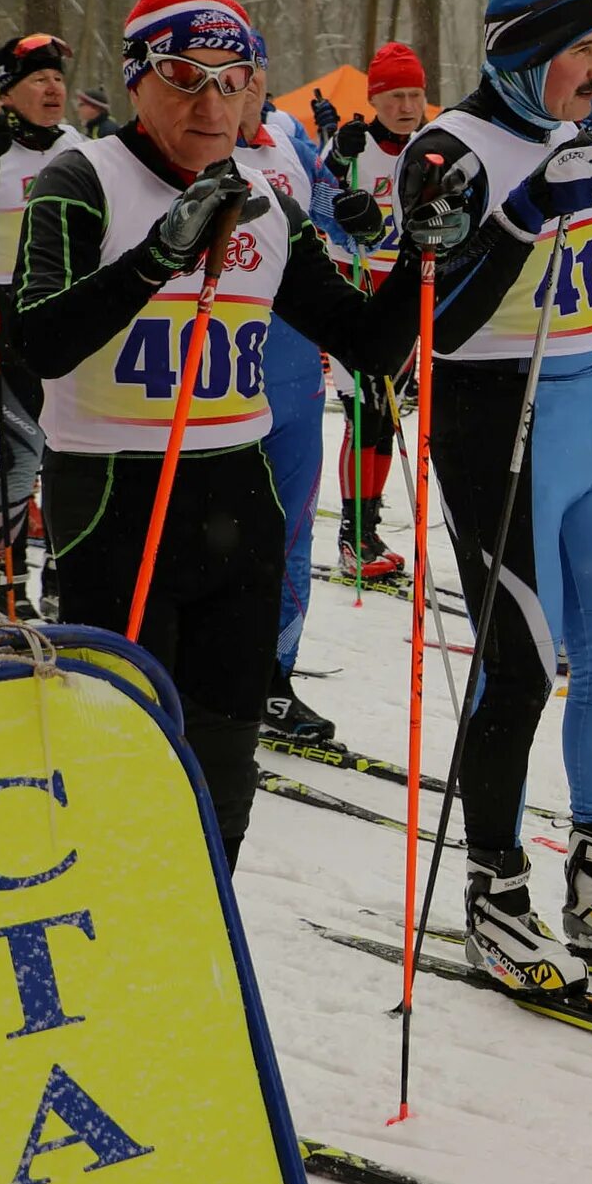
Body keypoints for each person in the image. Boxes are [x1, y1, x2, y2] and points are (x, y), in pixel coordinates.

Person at [9, 0, 474, 856]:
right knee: (124, 760)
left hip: (237, 498)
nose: (210, 101)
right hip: (116, 500)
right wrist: (159, 256)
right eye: (185, 76)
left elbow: (368, 343)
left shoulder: (263, 195)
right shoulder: (84, 179)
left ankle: (198, 959)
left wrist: (423, 253)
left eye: (234, 79)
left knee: (223, 780)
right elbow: (38, 343)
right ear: (138, 80)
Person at [399, 0, 592, 993]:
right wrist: (526, 213)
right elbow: (433, 318)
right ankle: (495, 890)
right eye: (585, 51)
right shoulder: (447, 148)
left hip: (588, 410)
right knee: (520, 663)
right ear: (528, 56)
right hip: (497, 416)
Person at [248, 82, 358, 741]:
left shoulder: (287, 135)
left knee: (291, 536)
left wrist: (350, 190)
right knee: (215, 536)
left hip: (295, 371)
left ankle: (274, 682)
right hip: (220, 375)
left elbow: (333, 217)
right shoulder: (179, 146)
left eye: (250, 69)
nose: (242, 84)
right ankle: (199, 679)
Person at [0, 33, 80, 619]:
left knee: (68, 449)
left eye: (57, 77)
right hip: (7, 311)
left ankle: (62, 574)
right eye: (37, 78)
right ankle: (5, 585)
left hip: (70, 306)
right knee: (21, 453)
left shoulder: (81, 148)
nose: (53, 87)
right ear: (7, 93)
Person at [317, 40, 431, 581]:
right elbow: (316, 200)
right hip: (357, 285)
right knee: (364, 414)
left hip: (407, 292)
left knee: (385, 419)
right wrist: (339, 158)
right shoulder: (356, 145)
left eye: (415, 95)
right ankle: (351, 537)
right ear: (375, 98)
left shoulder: (433, 145)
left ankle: (368, 528)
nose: (407, 106)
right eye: (395, 97)